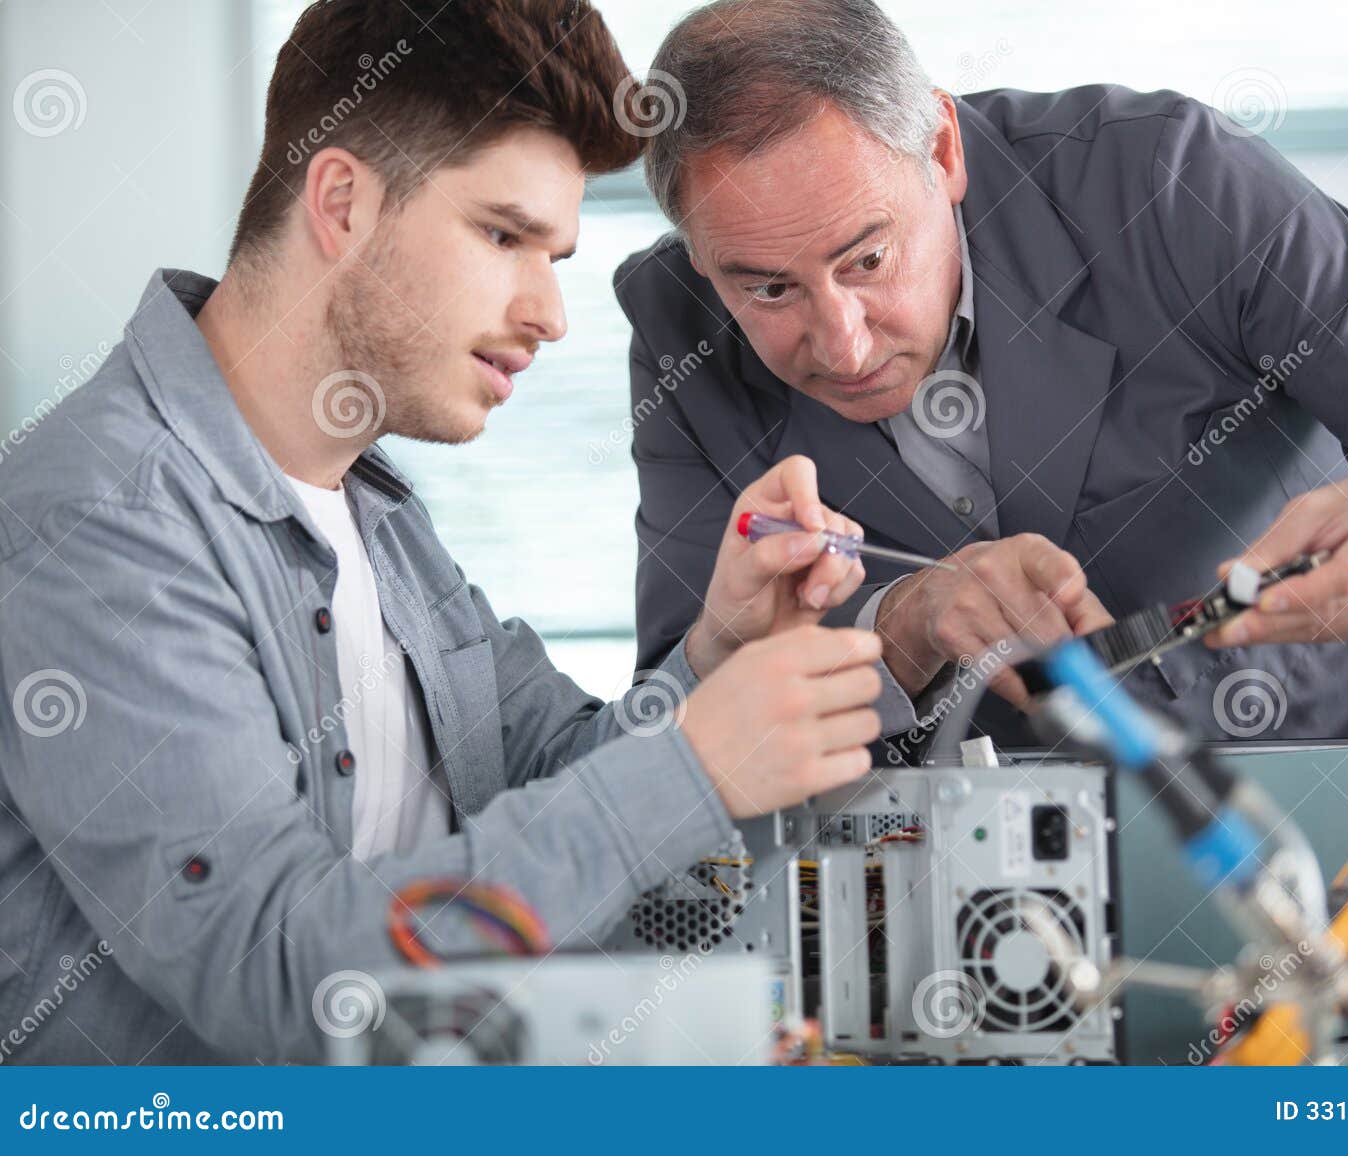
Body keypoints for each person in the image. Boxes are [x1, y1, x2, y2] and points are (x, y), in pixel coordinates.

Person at [617, 0, 1348, 1021]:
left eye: (868, 259)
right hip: (1055, 954)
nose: (843, 342)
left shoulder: (1166, 180)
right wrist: (895, 635)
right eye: (768, 289)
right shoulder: (677, 337)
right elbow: (680, 716)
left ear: (942, 149)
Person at [0, 0, 885, 1064]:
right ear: (341, 201)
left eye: (554, 252)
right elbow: (279, 973)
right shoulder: (103, 519)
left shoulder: (378, 516)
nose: (550, 314)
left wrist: (718, 654)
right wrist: (694, 768)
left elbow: (549, 773)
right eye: (503, 235)